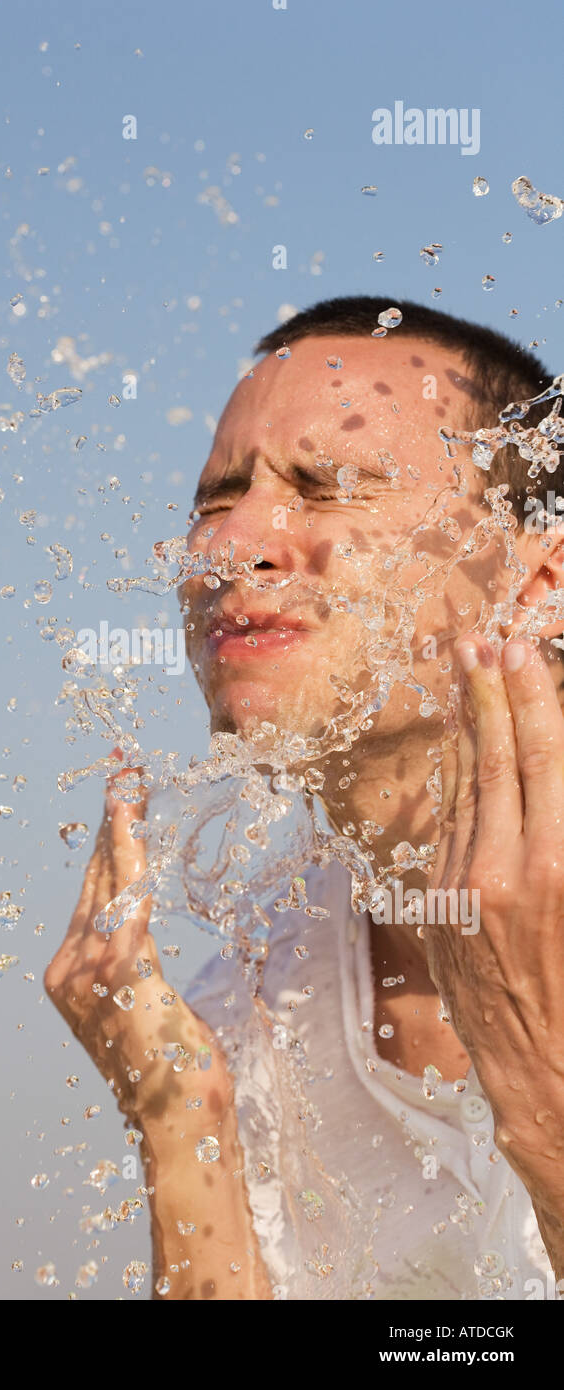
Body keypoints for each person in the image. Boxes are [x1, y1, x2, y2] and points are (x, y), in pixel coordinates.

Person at [45, 296, 564, 1300]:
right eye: (214, 497)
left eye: (329, 487)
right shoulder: (245, 1003)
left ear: (535, 577)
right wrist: (180, 1118)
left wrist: (538, 1085)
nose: (234, 543)